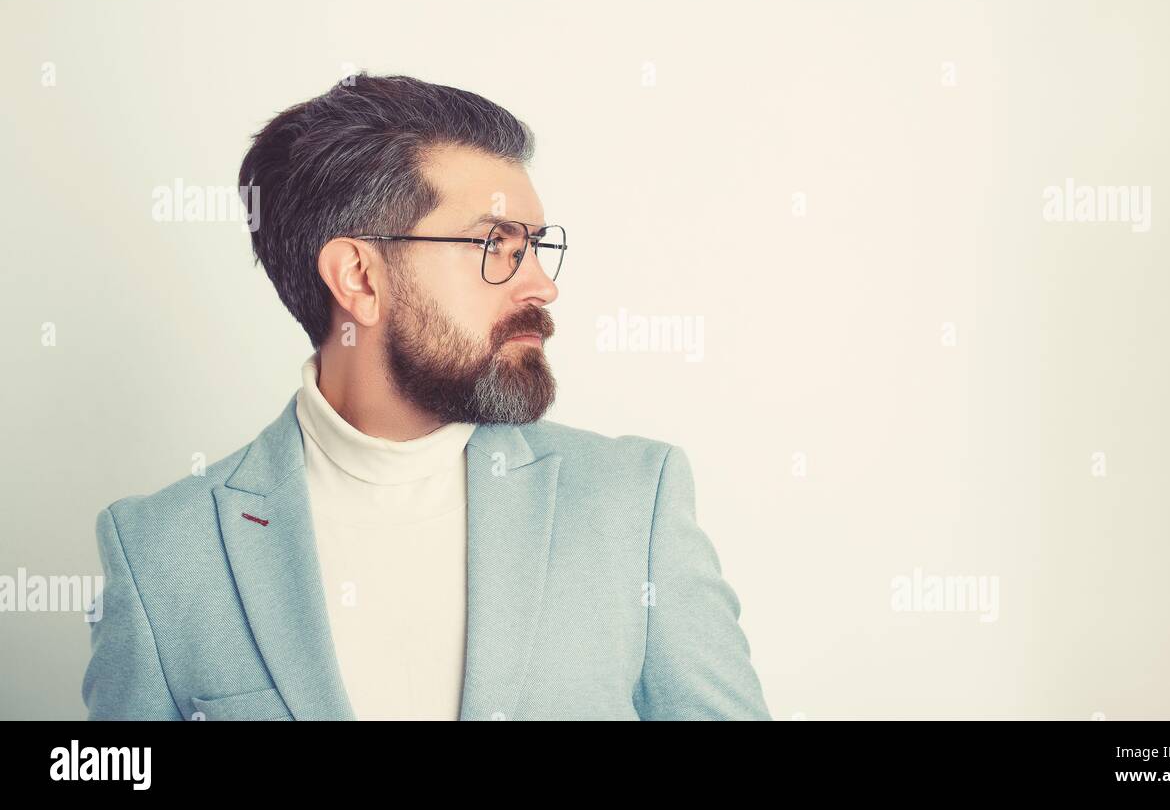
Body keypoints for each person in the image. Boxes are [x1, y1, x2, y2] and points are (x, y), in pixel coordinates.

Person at [81, 73, 770, 720]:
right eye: (495, 244)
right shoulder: (158, 552)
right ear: (359, 277)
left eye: (534, 245)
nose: (541, 285)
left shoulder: (633, 505)